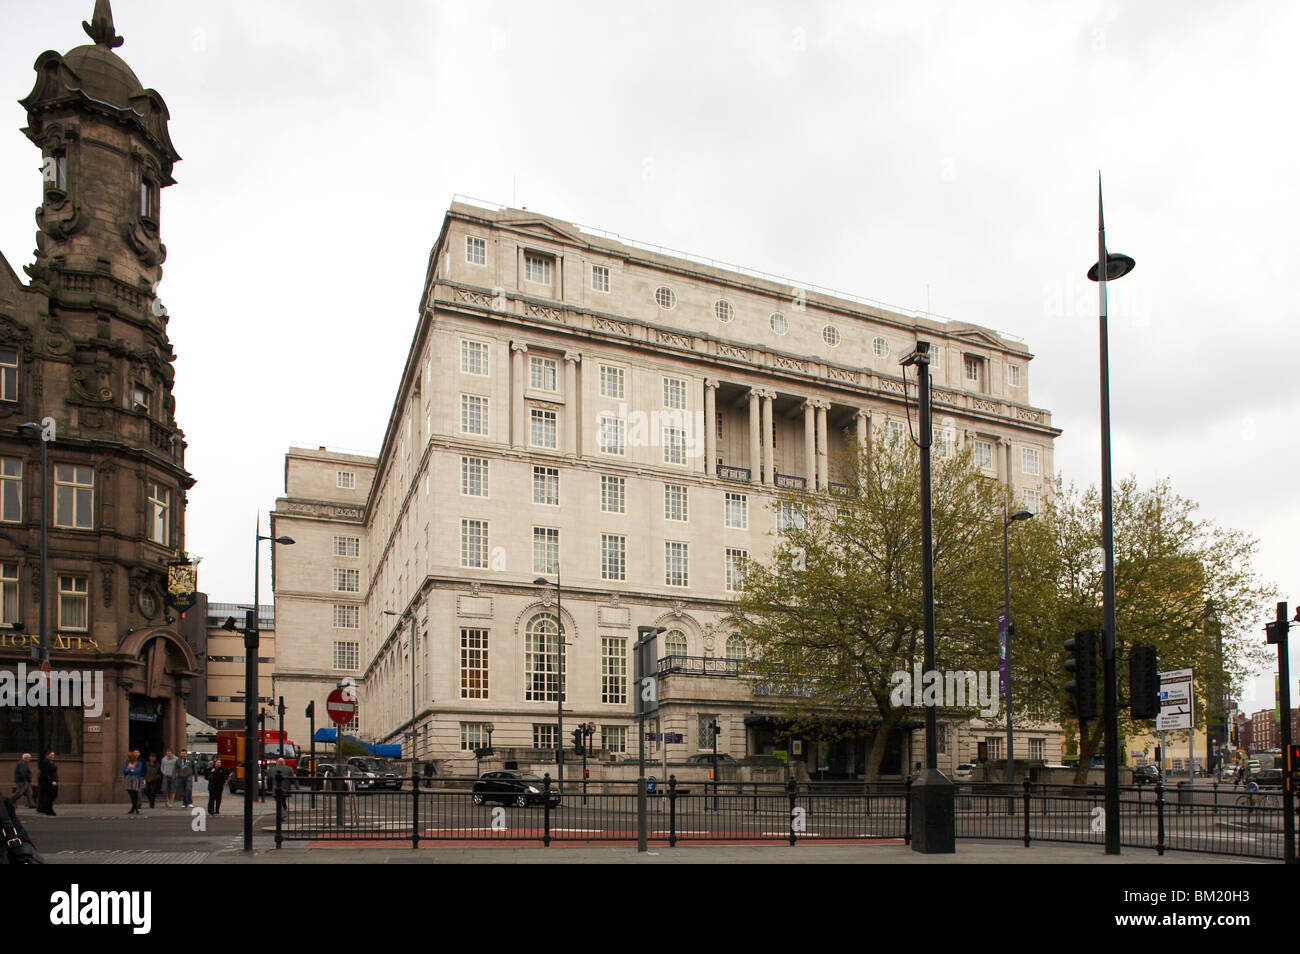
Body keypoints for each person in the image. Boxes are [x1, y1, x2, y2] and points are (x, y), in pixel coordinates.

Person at [36, 752, 58, 816]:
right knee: (49, 796)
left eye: (53, 755)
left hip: (53, 781)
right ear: (47, 755)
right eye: (51, 755)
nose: (52, 756)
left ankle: (46, 809)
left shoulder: (52, 763)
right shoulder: (45, 763)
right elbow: (46, 774)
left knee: (52, 795)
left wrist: (55, 780)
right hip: (48, 783)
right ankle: (48, 810)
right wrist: (52, 781)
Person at [122, 750, 144, 816]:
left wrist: (129, 770)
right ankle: (134, 808)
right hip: (128, 779)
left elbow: (137, 771)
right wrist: (131, 770)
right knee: (131, 794)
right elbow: (124, 770)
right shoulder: (127, 763)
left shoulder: (139, 763)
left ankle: (135, 809)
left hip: (136, 779)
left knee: (135, 794)